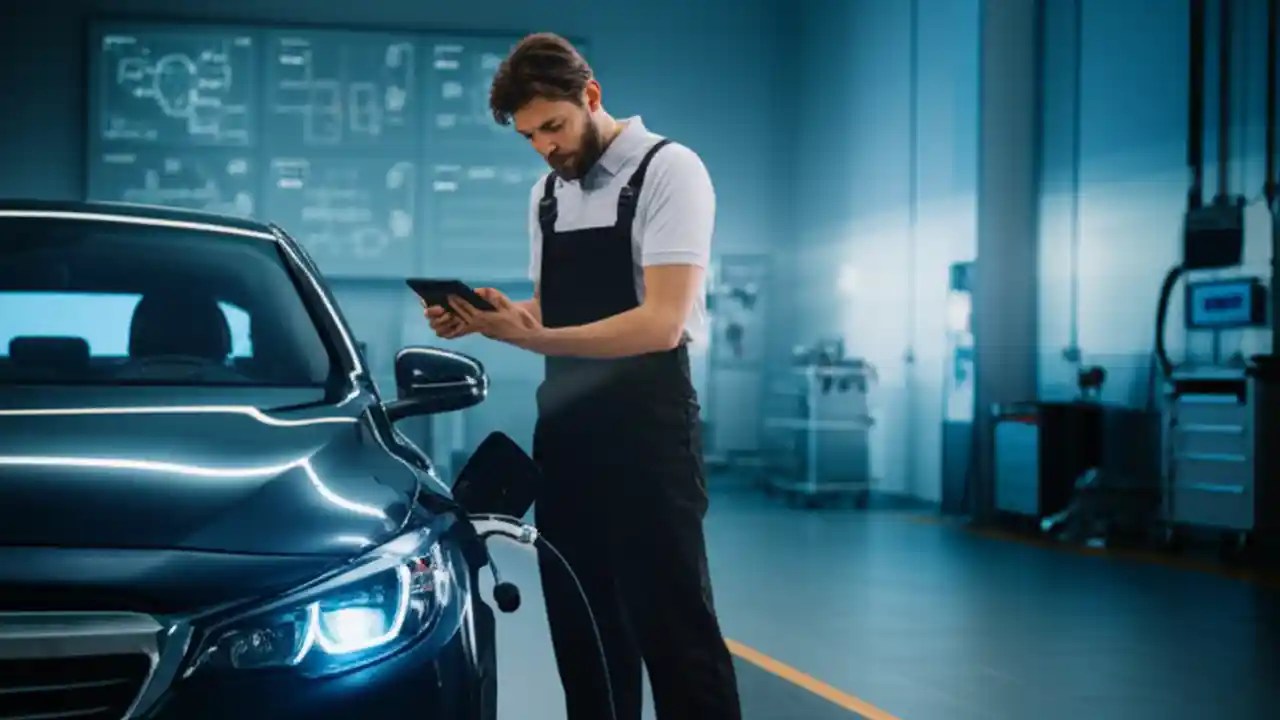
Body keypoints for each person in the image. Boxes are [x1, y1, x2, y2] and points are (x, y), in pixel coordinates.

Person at [423, 31, 742, 720]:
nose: (545, 148)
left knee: (675, 629)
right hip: (567, 430)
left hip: (649, 431)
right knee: (586, 629)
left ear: (590, 97)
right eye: (530, 136)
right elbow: (555, 310)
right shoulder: (546, 195)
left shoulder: (669, 171)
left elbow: (660, 322)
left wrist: (531, 334)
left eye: (554, 127)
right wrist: (493, 316)